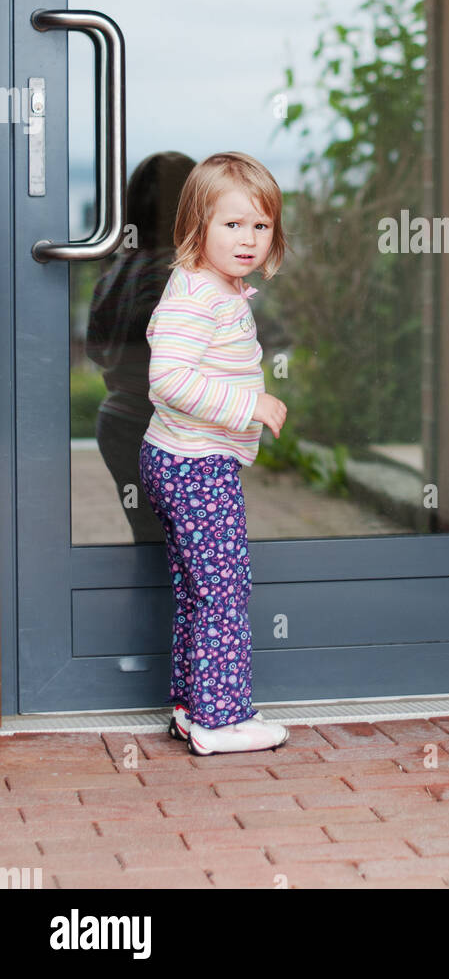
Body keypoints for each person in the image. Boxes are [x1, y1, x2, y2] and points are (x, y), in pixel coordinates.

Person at [138, 150, 291, 756]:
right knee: (224, 589)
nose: (249, 239)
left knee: (199, 587)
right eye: (232, 225)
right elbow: (167, 380)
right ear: (196, 226)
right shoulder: (198, 297)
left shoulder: (213, 287)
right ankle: (221, 719)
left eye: (261, 226)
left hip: (185, 460)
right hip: (195, 465)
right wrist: (246, 405)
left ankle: (190, 706)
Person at [86, 151, 195, 543]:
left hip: (116, 420)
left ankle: (152, 601)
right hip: (162, 428)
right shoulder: (180, 276)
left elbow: (97, 349)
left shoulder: (117, 270)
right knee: (188, 545)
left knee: (152, 537)